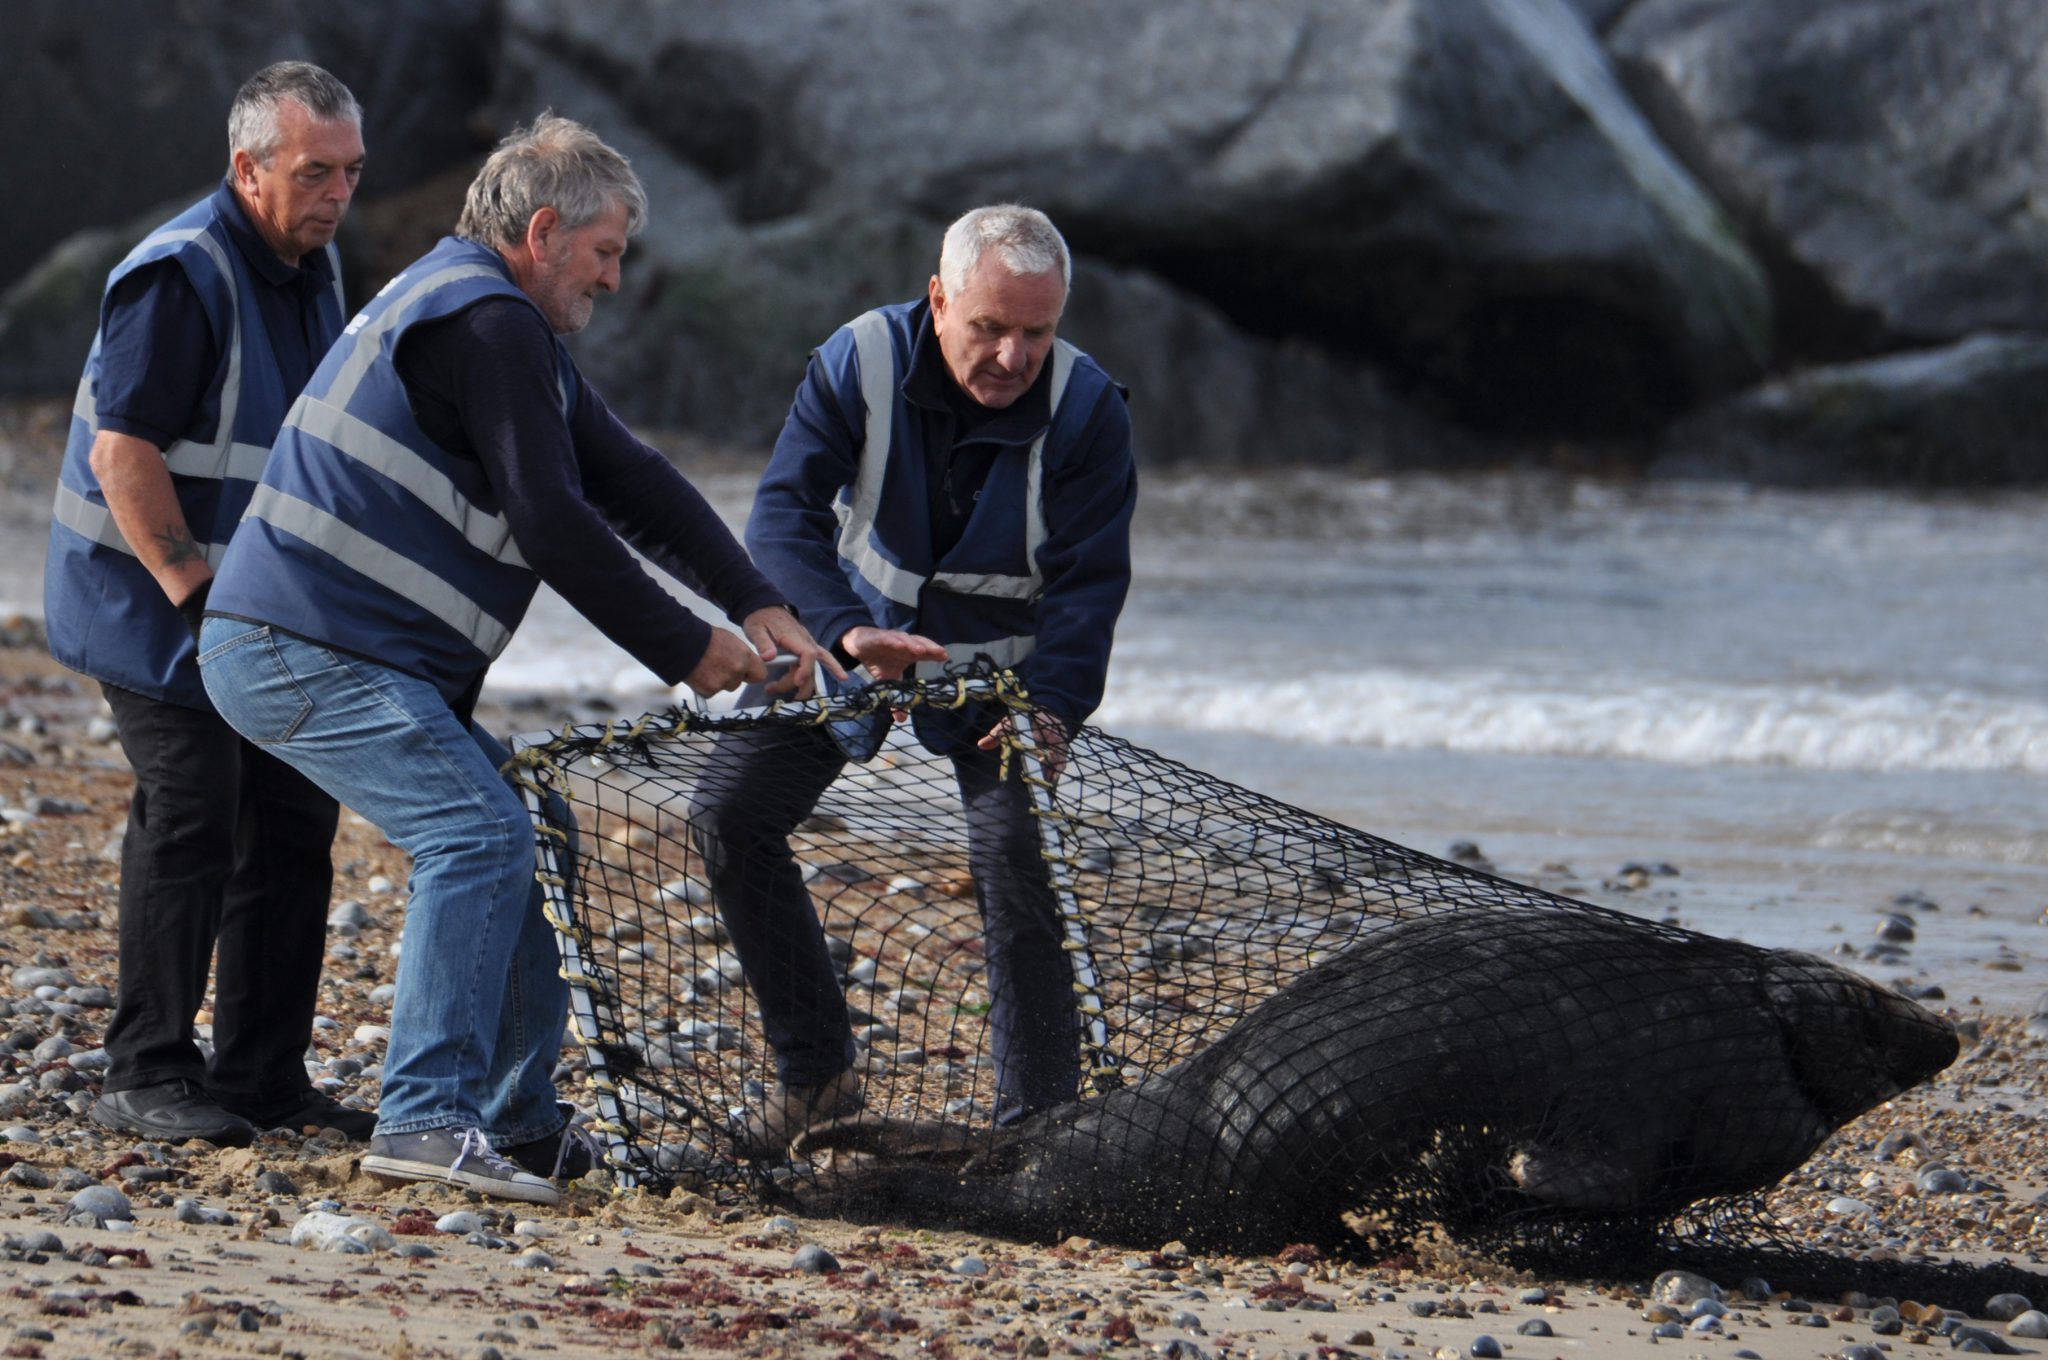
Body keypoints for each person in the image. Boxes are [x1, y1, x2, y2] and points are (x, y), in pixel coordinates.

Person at [195, 113, 839, 1205]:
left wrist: (755, 598)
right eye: (605, 252)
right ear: (542, 232)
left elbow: (628, 479)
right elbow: (554, 521)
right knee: (477, 833)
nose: (616, 279)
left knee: (527, 824)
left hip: (329, 649)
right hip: (296, 648)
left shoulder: (489, 317)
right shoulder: (486, 325)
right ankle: (426, 1118)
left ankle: (519, 1124)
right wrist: (692, 648)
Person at [693, 203, 1137, 1156]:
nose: (1014, 357)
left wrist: (1053, 713)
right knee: (727, 814)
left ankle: (1037, 1129)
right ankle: (818, 1079)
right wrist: (845, 635)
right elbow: (783, 518)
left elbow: (1090, 592)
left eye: (1038, 332)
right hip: (849, 640)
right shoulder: (857, 361)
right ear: (938, 301)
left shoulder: (1092, 409)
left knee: (1015, 854)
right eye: (990, 328)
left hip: (1004, 680)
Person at [42, 63, 372, 1147]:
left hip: (257, 605)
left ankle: (262, 1078)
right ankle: (141, 1071)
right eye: (313, 172)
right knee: (194, 803)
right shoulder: (180, 273)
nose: (336, 194)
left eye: (351, 174)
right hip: (146, 596)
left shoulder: (312, 264)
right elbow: (121, 450)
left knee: (292, 817)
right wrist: (192, 591)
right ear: (248, 168)